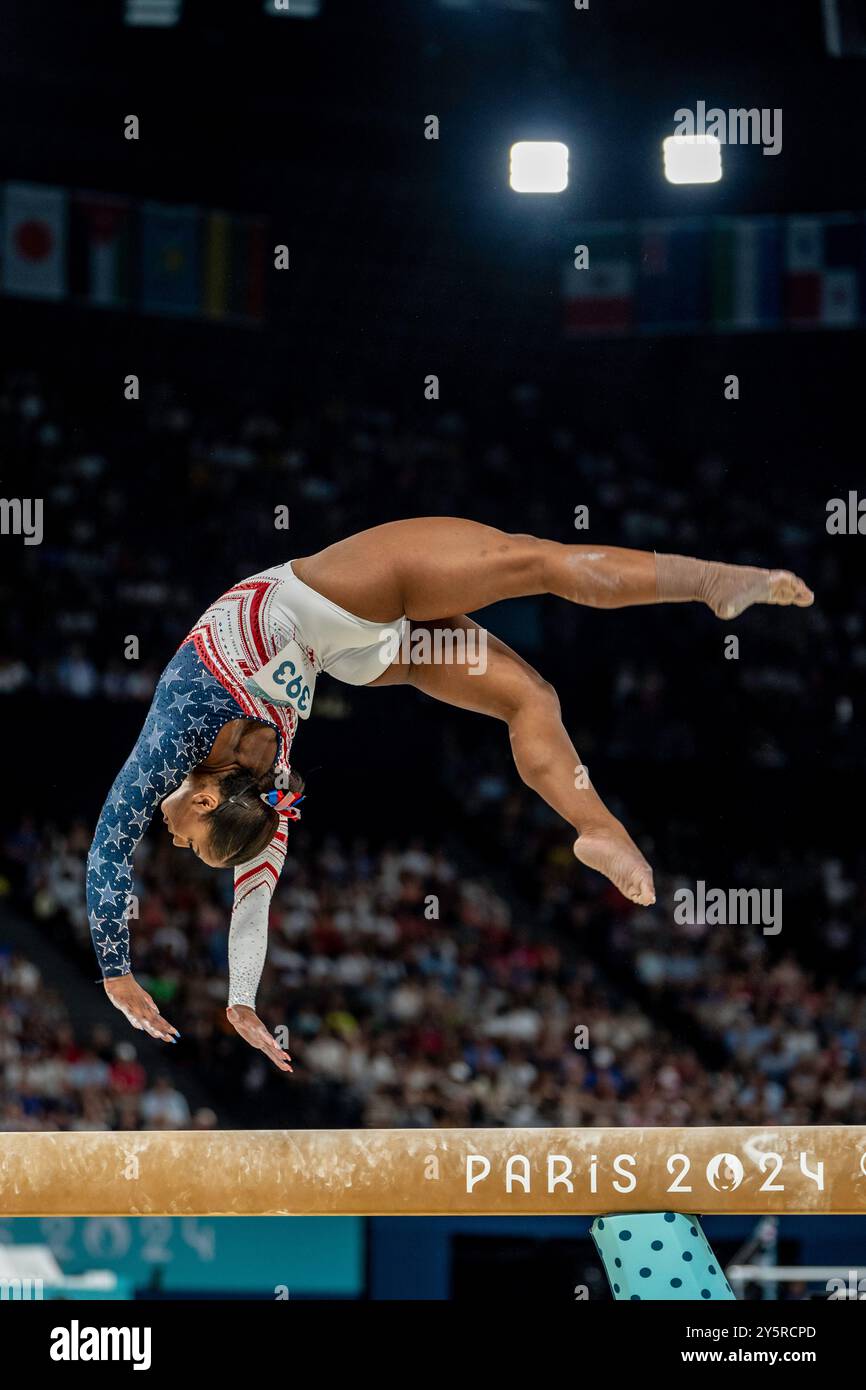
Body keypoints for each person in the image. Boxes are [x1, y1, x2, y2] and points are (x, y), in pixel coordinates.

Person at [87, 517, 813, 1070]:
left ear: (210, 802)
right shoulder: (262, 790)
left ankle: (710, 581)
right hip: (358, 634)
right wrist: (240, 1000)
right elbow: (251, 898)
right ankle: (598, 825)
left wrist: (118, 973)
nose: (171, 836)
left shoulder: (177, 732)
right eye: (183, 844)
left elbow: (109, 849)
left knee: (529, 662)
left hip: (344, 610)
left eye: (182, 842)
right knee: (532, 641)